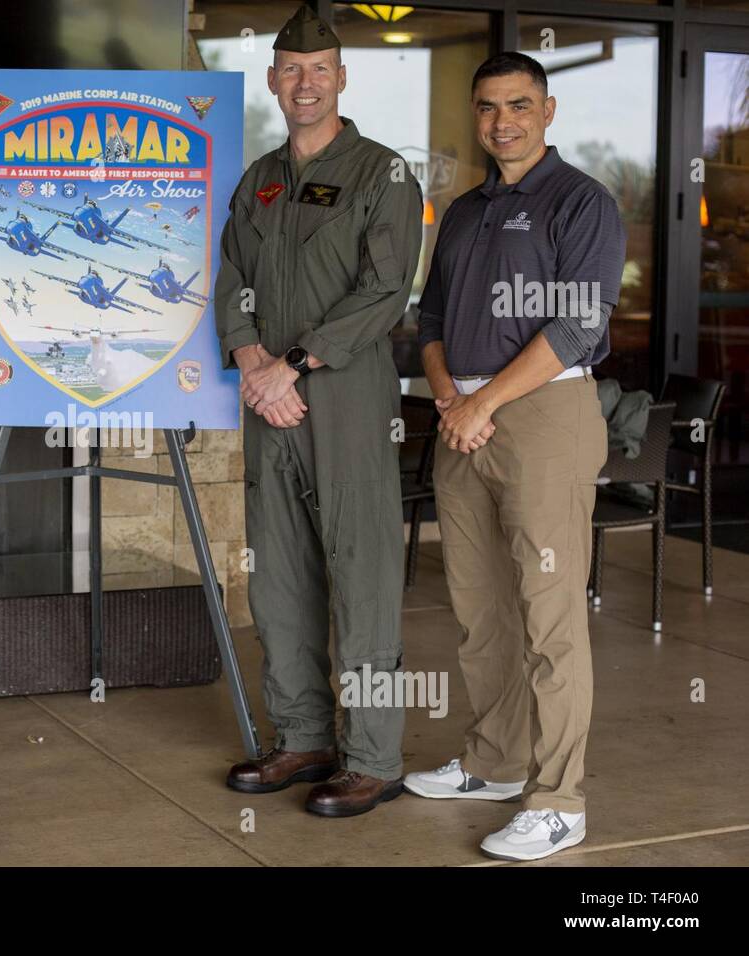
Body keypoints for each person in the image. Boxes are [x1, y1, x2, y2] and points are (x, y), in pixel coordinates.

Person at [404, 52, 624, 861]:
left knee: (550, 614)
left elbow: (575, 328)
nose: (504, 121)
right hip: (462, 418)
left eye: (520, 105)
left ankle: (560, 800)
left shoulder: (580, 202)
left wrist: (482, 403)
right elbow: (427, 320)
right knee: (480, 608)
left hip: (540, 415)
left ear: (548, 110)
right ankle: (494, 763)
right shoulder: (464, 209)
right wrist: (451, 400)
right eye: (490, 107)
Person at [214, 5, 423, 817]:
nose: (305, 82)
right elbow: (230, 272)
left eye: (320, 69)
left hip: (343, 401)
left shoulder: (382, 173)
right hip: (269, 403)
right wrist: (249, 359)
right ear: (273, 80)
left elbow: (387, 291)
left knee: (361, 575)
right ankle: (303, 736)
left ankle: (373, 756)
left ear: (341, 78)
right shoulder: (259, 176)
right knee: (282, 576)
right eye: (290, 69)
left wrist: (293, 364)